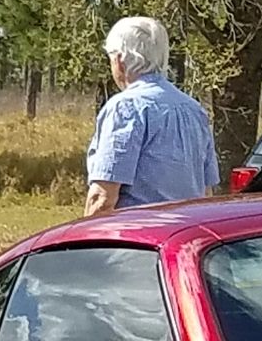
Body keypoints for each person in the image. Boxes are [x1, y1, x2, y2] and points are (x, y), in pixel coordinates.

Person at [85, 15, 218, 215]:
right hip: (186, 235)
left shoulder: (125, 108)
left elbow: (103, 199)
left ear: (119, 60)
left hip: (136, 238)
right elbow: (206, 193)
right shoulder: (194, 110)